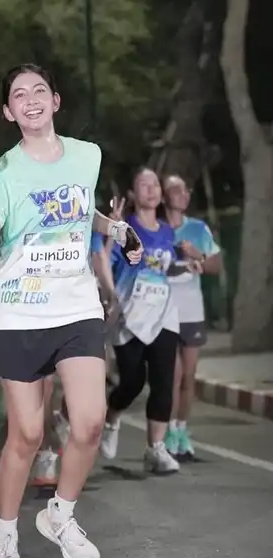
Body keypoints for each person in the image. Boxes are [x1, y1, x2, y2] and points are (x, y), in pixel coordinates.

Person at [0, 63, 142, 558]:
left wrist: (116, 229)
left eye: (39, 90)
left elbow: (80, 210)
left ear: (56, 101)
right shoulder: (3, 169)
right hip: (18, 309)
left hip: (76, 305)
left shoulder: (87, 156)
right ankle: (4, 535)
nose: (31, 100)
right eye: (19, 95)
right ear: (8, 112)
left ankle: (60, 514)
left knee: (89, 421)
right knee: (26, 434)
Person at [99, 167, 201, 474]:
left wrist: (186, 266)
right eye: (144, 184)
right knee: (132, 382)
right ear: (133, 193)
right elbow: (103, 262)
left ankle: (156, 448)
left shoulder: (167, 232)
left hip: (163, 314)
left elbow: (164, 267)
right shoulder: (125, 227)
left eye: (155, 184)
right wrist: (112, 231)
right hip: (129, 315)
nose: (151, 189)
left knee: (164, 381)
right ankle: (111, 417)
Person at [31, 230, 118, 486]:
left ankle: (63, 420)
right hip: (39, 306)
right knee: (43, 388)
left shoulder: (83, 213)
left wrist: (110, 292)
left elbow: (98, 253)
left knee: (88, 385)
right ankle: (47, 452)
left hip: (81, 310)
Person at [162, 174, 222, 459]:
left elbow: (216, 265)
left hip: (192, 311)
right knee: (172, 377)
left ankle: (181, 430)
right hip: (163, 311)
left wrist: (197, 255)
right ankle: (167, 432)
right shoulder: (157, 229)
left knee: (189, 376)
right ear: (164, 197)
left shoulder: (198, 228)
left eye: (186, 189)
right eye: (176, 190)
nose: (184, 194)